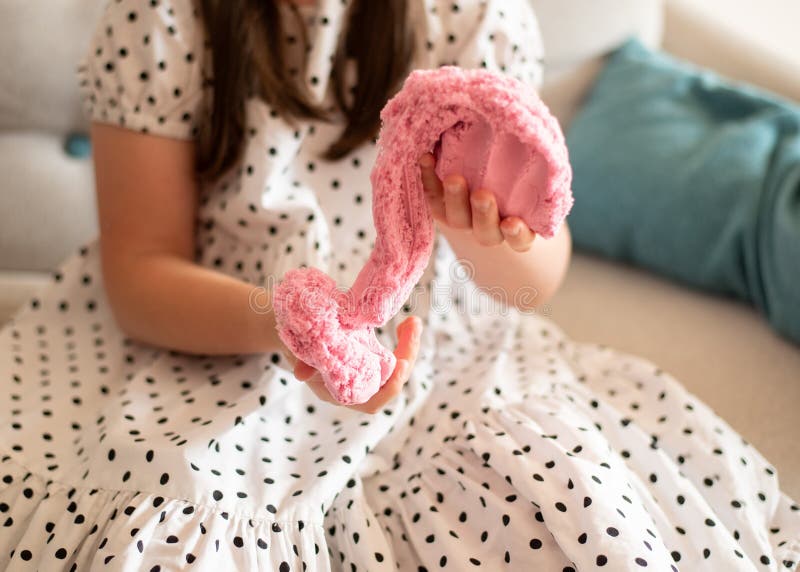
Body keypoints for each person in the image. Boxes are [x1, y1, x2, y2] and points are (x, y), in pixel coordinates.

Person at [0, 0, 797, 569]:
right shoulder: (163, 19)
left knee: (545, 503)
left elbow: (532, 283)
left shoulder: (466, 17)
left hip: (444, 350)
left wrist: (484, 231)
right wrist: (283, 319)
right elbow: (141, 274)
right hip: (215, 334)